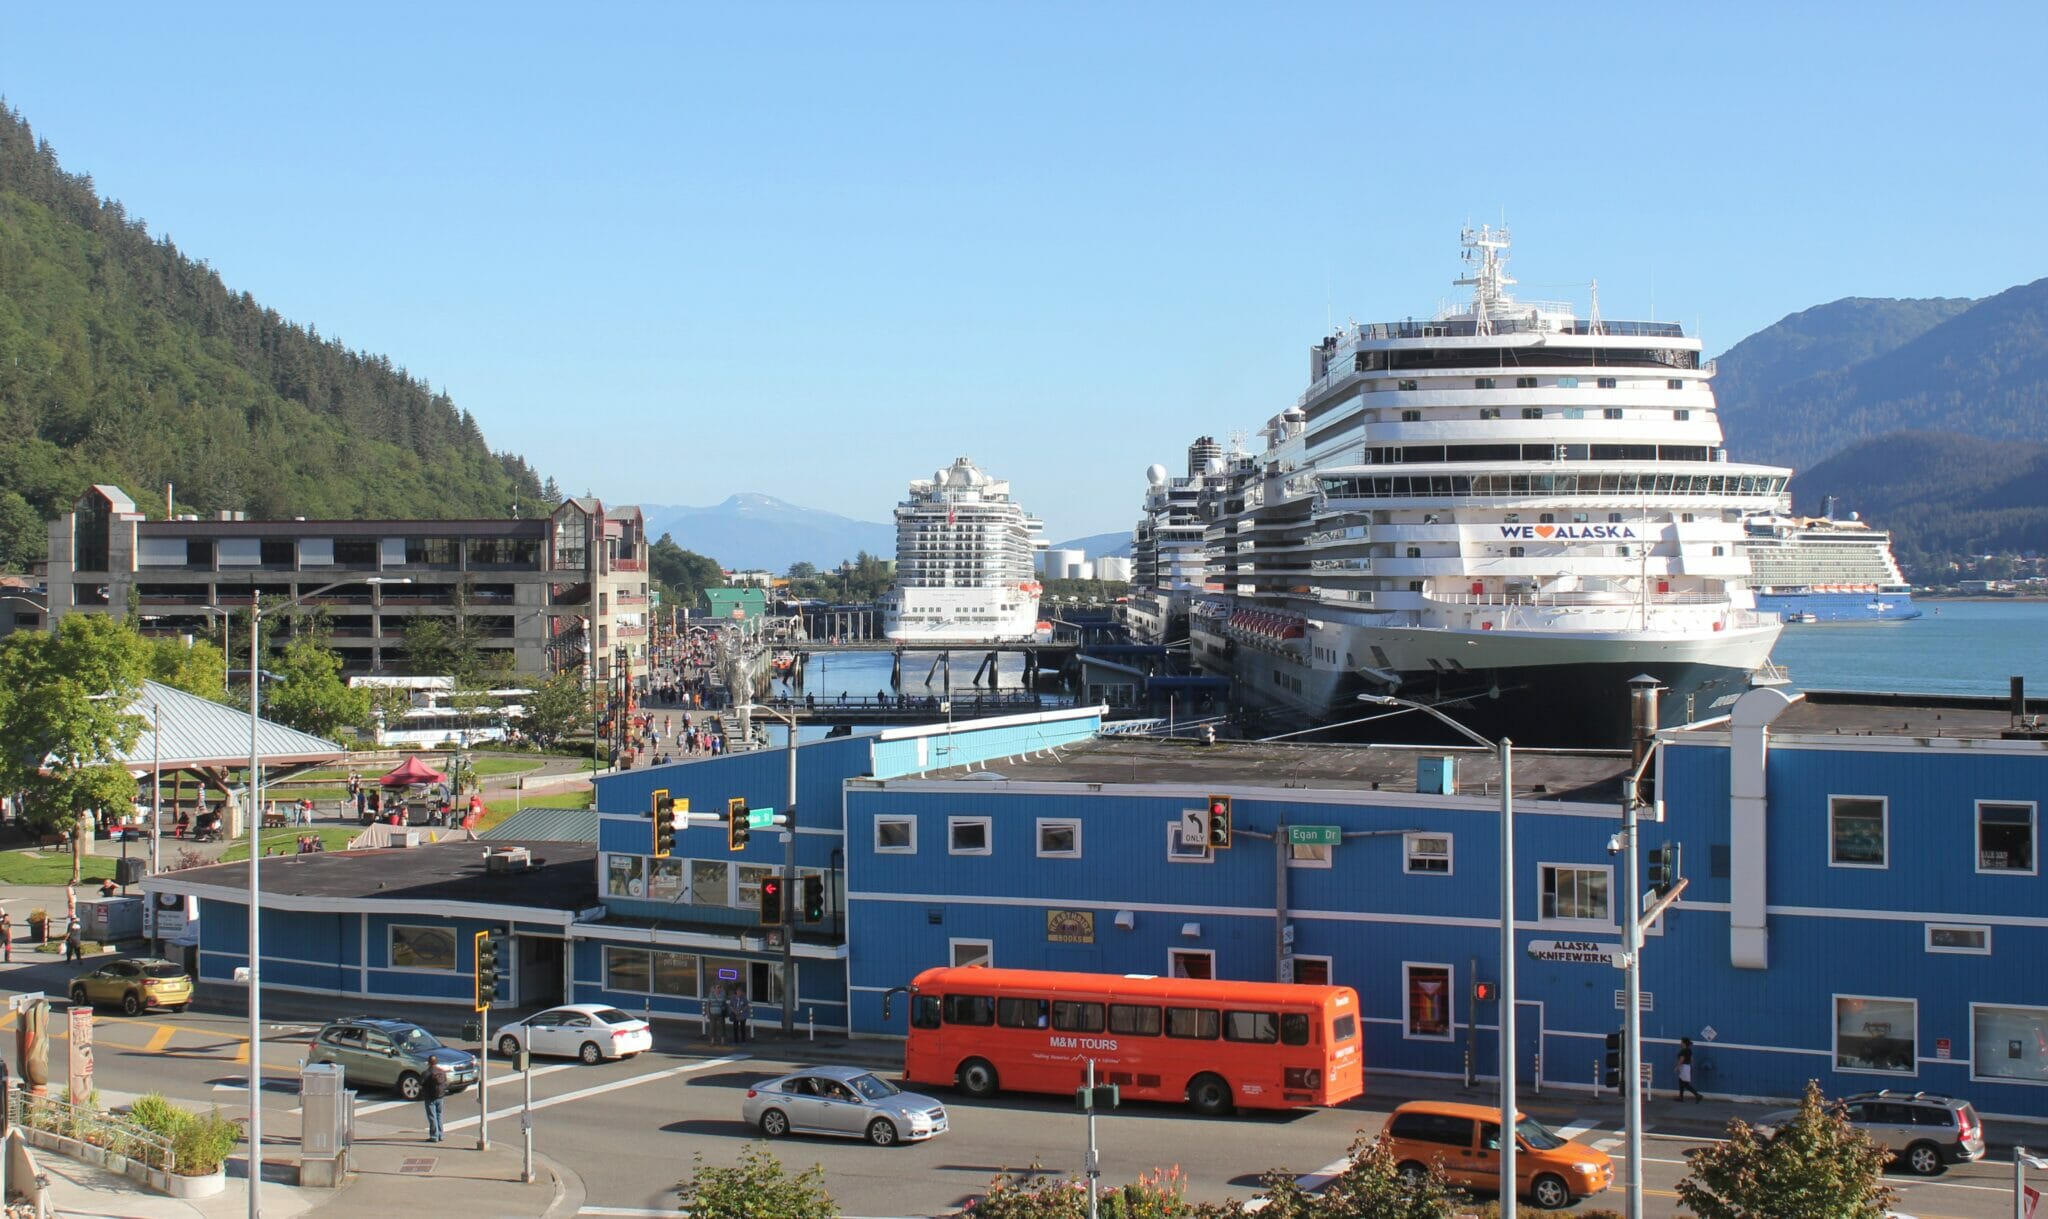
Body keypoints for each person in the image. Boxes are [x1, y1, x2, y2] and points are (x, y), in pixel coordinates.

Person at [421, 1060, 449, 1142]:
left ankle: (434, 1136)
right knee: (439, 1115)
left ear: (429, 1063)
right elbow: (445, 1080)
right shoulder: (442, 1072)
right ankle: (441, 1135)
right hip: (440, 1097)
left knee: (432, 1116)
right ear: (436, 1062)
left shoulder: (426, 1073)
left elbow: (420, 1082)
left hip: (429, 1098)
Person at [1676, 1037, 1703, 1102]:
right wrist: (1691, 1066)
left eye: (1681, 1042)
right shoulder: (1689, 1050)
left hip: (1684, 1067)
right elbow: (1691, 1059)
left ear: (1684, 1043)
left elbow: (1681, 1059)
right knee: (1681, 1081)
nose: (1680, 1043)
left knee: (1685, 1084)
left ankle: (1697, 1095)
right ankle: (1681, 1097)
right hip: (1687, 1067)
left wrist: (1677, 1067)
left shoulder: (1683, 1050)